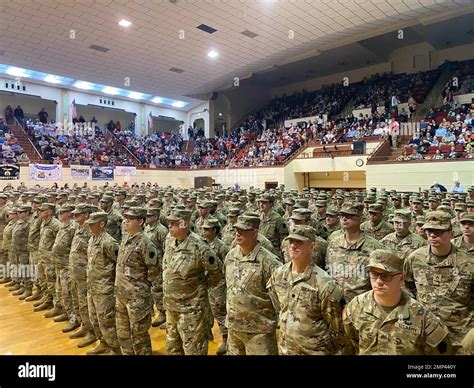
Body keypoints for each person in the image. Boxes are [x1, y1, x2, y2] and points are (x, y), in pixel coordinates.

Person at [343, 249, 451, 355]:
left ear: (401, 278)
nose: (379, 281)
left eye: (386, 276)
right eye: (374, 274)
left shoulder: (421, 316)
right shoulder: (356, 306)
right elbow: (349, 342)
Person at [267, 225, 347, 355]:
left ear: (312, 246)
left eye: (299, 242)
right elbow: (279, 307)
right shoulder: (279, 275)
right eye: (291, 241)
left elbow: (336, 328)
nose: (293, 246)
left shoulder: (325, 283)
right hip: (286, 349)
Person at [404, 211, 473, 354]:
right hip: (425, 334)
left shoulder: (468, 263)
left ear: (451, 234)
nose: (433, 235)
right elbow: (407, 289)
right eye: (429, 231)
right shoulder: (414, 258)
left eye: (439, 231)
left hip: (459, 337)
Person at [163, 208, 223, 355]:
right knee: (173, 349)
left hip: (191, 311)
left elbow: (217, 271)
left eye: (173, 223)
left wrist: (199, 288)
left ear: (184, 224)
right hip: (171, 307)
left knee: (193, 350)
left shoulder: (199, 246)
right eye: (169, 223)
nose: (169, 226)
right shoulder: (170, 241)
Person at [225, 214, 281, 355]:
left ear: (255, 232)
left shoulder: (269, 262)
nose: (238, 233)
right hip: (234, 327)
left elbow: (280, 300)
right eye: (237, 229)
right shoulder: (231, 256)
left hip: (259, 331)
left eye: (243, 230)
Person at [115, 207, 158, 355]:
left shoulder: (146, 243)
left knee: (139, 336)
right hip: (121, 294)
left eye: (131, 218)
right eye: (126, 217)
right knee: (123, 333)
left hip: (137, 297)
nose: (126, 221)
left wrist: (143, 291)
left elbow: (154, 271)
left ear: (140, 221)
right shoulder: (126, 238)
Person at [326, 202, 384, 303]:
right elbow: (328, 272)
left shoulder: (374, 247)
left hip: (362, 304)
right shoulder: (333, 243)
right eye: (342, 216)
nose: (344, 219)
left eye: (349, 216)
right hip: (334, 303)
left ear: (360, 218)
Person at [85, 211, 121, 355]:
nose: (89, 227)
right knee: (95, 319)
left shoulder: (109, 242)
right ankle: (104, 343)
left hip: (105, 289)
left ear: (101, 224)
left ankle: (116, 348)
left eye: (92, 224)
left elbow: (119, 265)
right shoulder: (92, 239)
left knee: (107, 321)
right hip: (92, 286)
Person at [68, 204, 97, 348]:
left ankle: (91, 332)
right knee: (77, 301)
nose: (75, 216)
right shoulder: (79, 228)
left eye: (78, 214)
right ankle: (82, 325)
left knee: (86, 305)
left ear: (86, 215)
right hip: (75, 272)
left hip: (84, 274)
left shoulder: (89, 230)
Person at [202, 218, 229, 355]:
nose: (204, 231)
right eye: (204, 228)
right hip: (205, 282)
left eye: (207, 229)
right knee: (205, 309)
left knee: (219, 312)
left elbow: (226, 267)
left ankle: (225, 338)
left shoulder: (221, 247)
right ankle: (207, 332)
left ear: (215, 230)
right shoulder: (203, 244)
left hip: (218, 284)